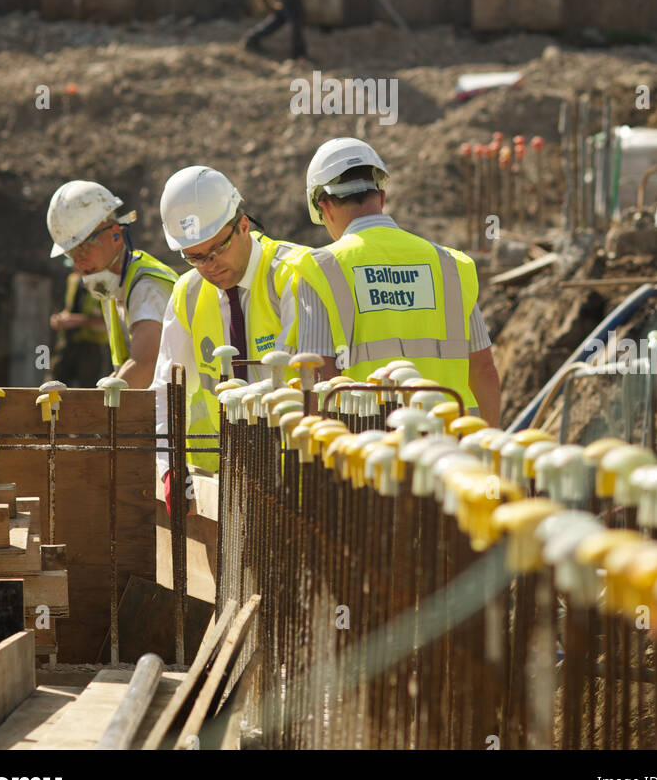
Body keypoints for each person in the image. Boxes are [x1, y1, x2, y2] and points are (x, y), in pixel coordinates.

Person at [280, 138, 501, 424]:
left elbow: (320, 378)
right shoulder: (451, 265)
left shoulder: (320, 269)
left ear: (324, 207)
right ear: (381, 197)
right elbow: (484, 370)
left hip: (370, 450)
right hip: (451, 447)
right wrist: (489, 447)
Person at [152, 166, 306, 514]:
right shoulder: (188, 294)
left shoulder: (293, 275)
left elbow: (304, 385)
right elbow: (165, 392)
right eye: (194, 257)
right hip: (217, 483)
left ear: (244, 225)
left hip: (291, 479)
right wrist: (169, 467)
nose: (209, 266)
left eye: (217, 249)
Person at [46, 180, 178, 389]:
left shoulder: (146, 286)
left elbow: (146, 363)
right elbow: (128, 366)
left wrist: (97, 411)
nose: (78, 261)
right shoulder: (114, 288)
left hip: (181, 415)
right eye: (72, 253)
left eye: (84, 248)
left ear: (116, 235)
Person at [49, 261, 109, 387]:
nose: (75, 268)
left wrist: (78, 321)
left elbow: (107, 321)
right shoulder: (73, 279)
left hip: (91, 346)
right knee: (54, 382)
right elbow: (70, 308)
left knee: (88, 388)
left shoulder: (102, 283)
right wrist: (61, 319)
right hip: (67, 342)